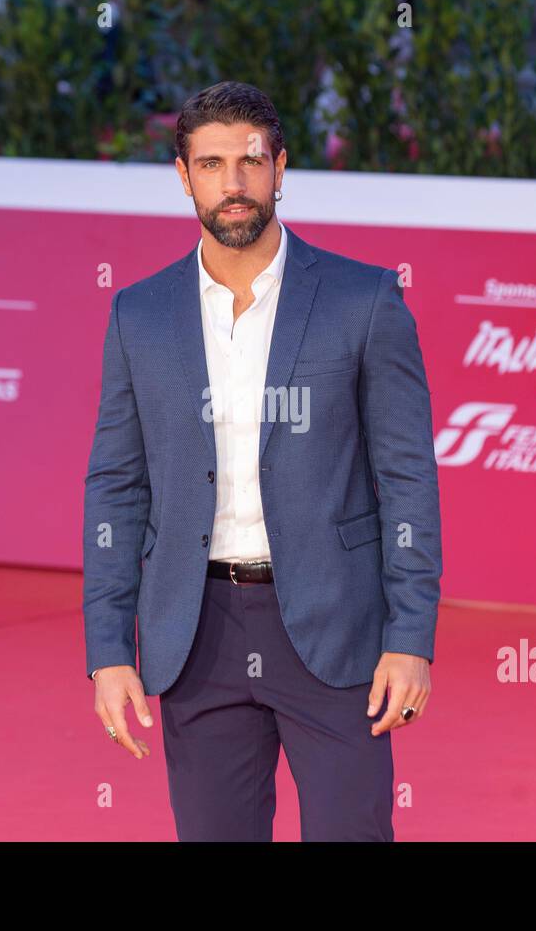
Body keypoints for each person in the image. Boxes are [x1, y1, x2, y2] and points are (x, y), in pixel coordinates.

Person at [81, 81, 442, 841]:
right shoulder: (138, 314)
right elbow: (117, 486)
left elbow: (408, 478)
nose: (233, 183)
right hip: (195, 632)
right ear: (184, 177)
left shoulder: (364, 300)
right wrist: (109, 649)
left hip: (334, 630)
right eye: (210, 165)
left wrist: (410, 637)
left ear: (281, 167)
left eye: (250, 162)